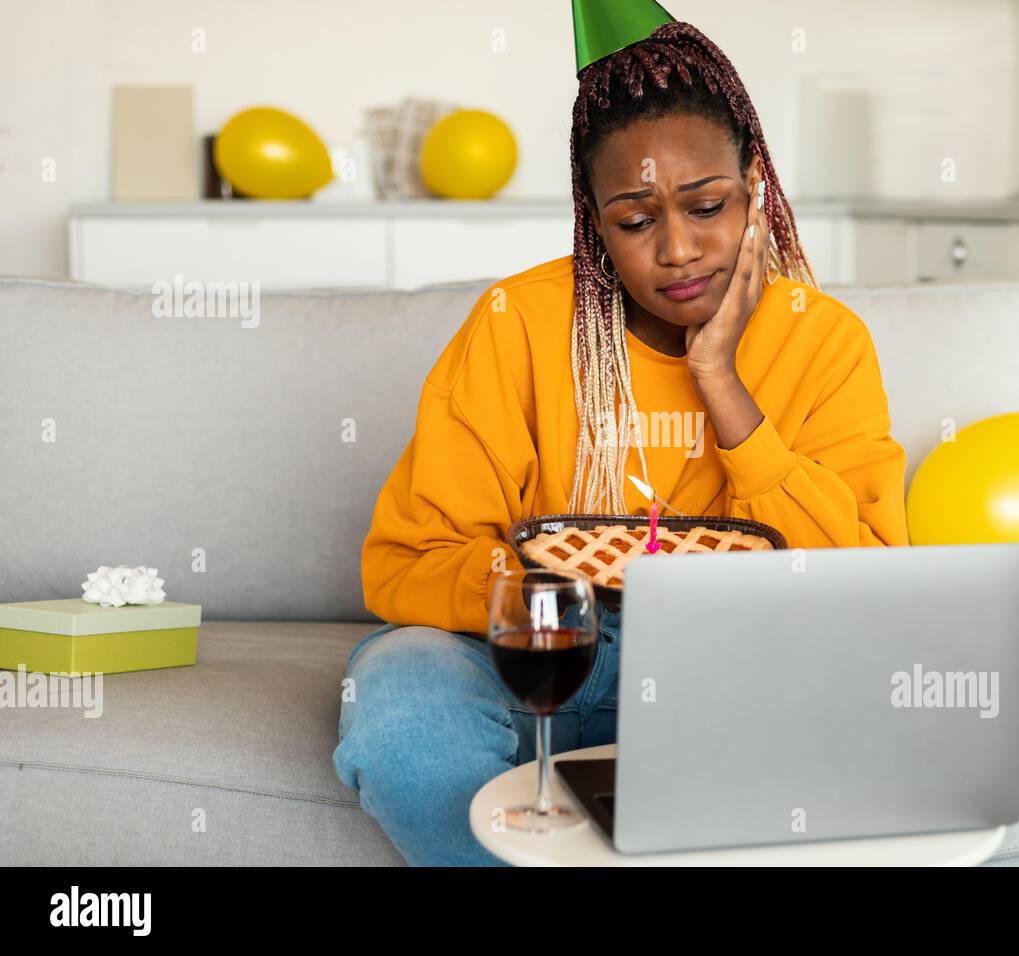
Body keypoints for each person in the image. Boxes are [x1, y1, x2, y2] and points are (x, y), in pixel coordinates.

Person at [333, 9, 909, 867]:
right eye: (635, 221)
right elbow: (406, 560)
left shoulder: (823, 340)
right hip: (536, 656)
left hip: (733, 670)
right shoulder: (517, 324)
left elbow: (863, 578)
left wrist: (722, 384)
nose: (678, 250)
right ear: (592, 220)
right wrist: (559, 591)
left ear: (754, 186)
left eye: (708, 206)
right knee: (404, 728)